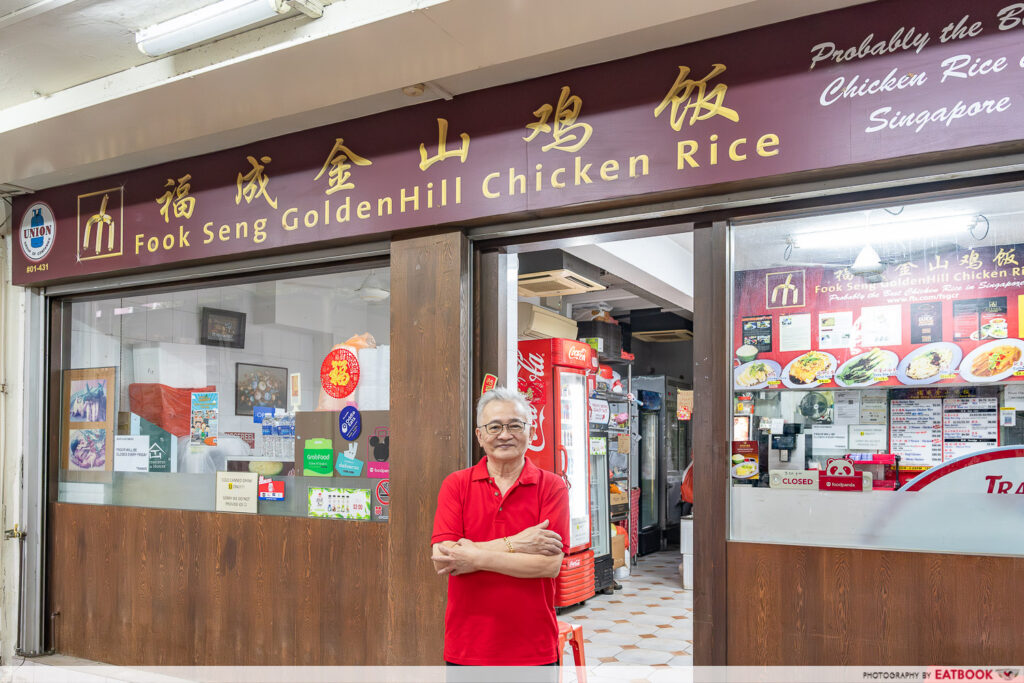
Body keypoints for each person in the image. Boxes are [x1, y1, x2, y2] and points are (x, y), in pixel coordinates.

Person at [431, 387, 570, 668]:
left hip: (533, 647)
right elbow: (444, 558)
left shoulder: (551, 486)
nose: (505, 435)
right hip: (468, 646)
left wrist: (474, 556)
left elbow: (548, 566)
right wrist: (516, 543)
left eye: (515, 425)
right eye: (494, 427)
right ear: (480, 436)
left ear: (530, 433)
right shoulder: (456, 484)